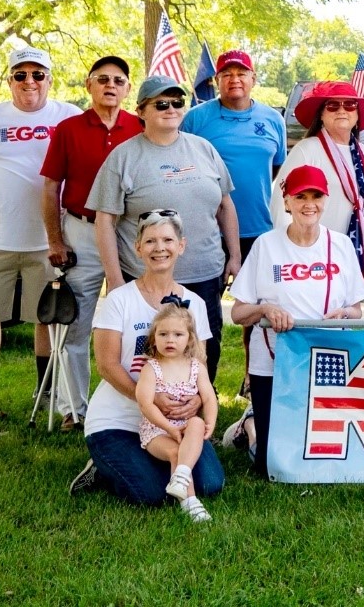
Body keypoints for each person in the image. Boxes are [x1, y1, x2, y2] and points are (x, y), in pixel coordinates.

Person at [0, 47, 82, 419]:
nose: (30, 82)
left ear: (50, 79)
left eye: (38, 74)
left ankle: (48, 392)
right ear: (9, 80)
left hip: (49, 242)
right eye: (20, 75)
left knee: (47, 319)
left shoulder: (70, 117)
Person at [90, 75, 240, 382]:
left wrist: (234, 255)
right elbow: (105, 220)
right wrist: (116, 279)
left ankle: (198, 417)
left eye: (177, 102)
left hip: (204, 275)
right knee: (149, 353)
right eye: (161, 103)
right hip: (146, 279)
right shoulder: (124, 157)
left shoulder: (204, 149)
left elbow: (225, 204)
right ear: (142, 111)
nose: (170, 108)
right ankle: (147, 413)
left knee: (203, 350)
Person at [73, 210, 222, 507]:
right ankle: (103, 466)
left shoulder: (196, 303)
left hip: (172, 421)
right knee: (150, 494)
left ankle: (154, 463)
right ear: (137, 248)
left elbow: (199, 363)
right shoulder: (120, 299)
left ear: (181, 245)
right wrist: (149, 400)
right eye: (150, 241)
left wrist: (198, 401)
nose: (159, 248)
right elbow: (106, 365)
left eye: (167, 240)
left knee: (209, 483)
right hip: (118, 420)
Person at [231, 165, 364, 476]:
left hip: (327, 357)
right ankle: (251, 427)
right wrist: (265, 310)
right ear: (286, 201)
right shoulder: (266, 245)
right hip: (273, 360)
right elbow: (239, 312)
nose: (309, 204)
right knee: (270, 465)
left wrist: (344, 314)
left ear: (326, 200)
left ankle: (253, 423)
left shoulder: (341, 246)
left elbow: (357, 309)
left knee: (322, 457)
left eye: (316, 196)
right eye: (300, 196)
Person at [39, 55, 144, 429]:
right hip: (81, 231)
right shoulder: (68, 128)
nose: (110, 85)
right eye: (102, 79)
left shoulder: (141, 126)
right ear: (89, 85)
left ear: (128, 88)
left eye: (118, 80)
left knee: (136, 317)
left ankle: (136, 402)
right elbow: (51, 186)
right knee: (76, 321)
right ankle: (74, 408)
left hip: (129, 231)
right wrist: (55, 239)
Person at [179, 49, 286, 265]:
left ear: (253, 79)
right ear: (216, 80)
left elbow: (275, 166)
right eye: (227, 74)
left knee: (259, 298)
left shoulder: (273, 120)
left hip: (258, 227)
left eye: (241, 73)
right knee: (205, 298)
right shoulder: (195, 119)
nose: (234, 79)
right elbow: (182, 168)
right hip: (208, 230)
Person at [270, 80, 364, 281]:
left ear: (357, 113)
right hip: (315, 262)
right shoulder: (307, 150)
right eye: (332, 105)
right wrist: (290, 253)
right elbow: (280, 202)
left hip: (356, 255)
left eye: (349, 105)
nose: (342, 110)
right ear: (321, 114)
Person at [135, 303, 218, 522]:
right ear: (154, 338)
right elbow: (145, 404)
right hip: (157, 429)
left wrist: (210, 421)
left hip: (187, 428)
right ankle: (190, 503)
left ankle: (180, 476)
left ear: (190, 339)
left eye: (178, 334)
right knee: (175, 451)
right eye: (163, 334)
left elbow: (209, 397)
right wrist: (168, 427)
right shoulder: (151, 368)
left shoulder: (196, 367)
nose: (170, 340)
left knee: (197, 424)